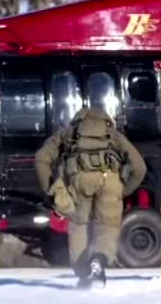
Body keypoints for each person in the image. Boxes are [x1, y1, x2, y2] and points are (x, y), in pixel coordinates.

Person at [34, 106, 146, 288]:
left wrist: (52, 191)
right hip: (110, 181)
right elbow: (139, 167)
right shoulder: (113, 135)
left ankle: (84, 274)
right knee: (107, 226)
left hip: (78, 180)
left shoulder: (67, 133)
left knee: (79, 225)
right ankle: (98, 260)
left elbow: (41, 158)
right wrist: (123, 190)